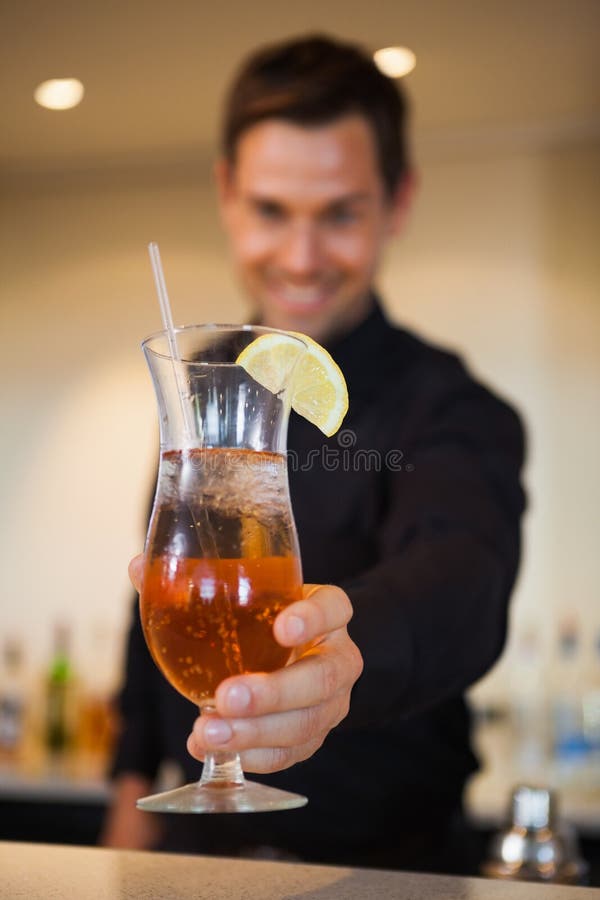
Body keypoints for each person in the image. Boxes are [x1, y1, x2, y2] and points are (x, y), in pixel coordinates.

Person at [102, 34, 525, 871]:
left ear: (397, 202)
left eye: (339, 213)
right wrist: (125, 807)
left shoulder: (453, 407)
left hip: (389, 869)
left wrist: (346, 653)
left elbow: (464, 580)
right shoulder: (198, 382)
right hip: (194, 864)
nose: (300, 258)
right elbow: (155, 600)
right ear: (226, 193)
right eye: (270, 210)